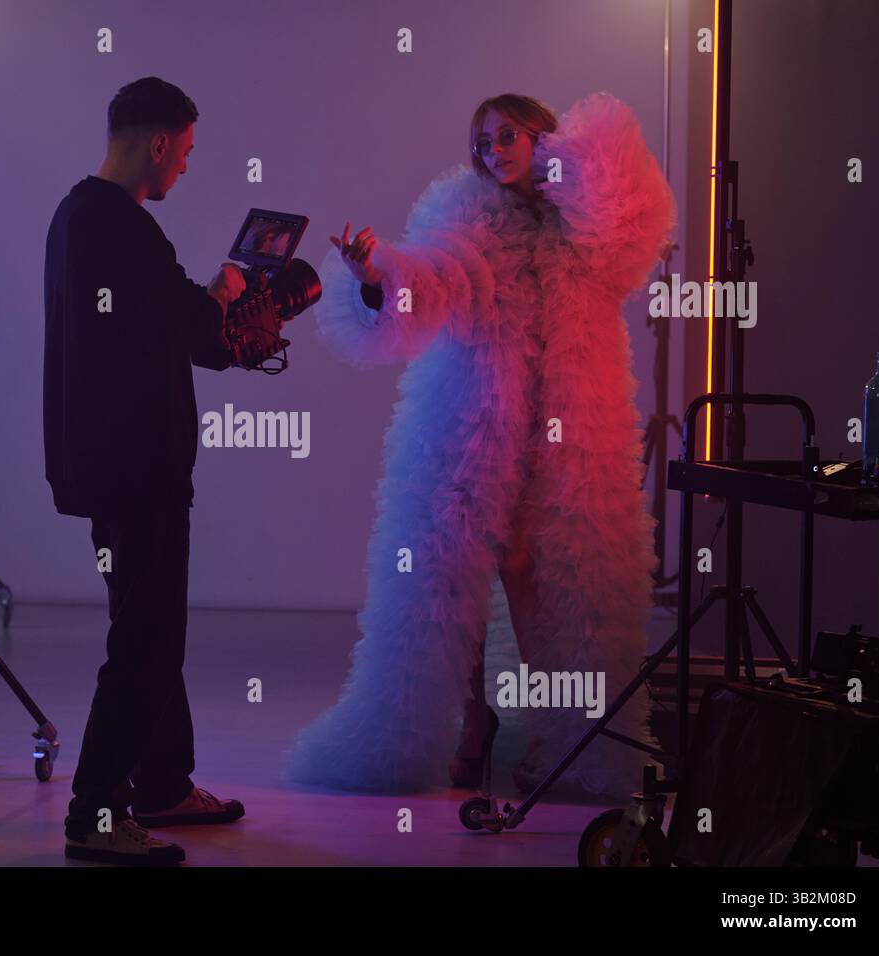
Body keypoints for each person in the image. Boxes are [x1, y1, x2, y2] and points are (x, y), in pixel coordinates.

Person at [287, 92, 676, 801]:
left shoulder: (586, 227)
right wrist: (379, 278)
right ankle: (467, 725)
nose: (492, 151)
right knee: (440, 585)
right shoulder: (465, 215)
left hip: (571, 450)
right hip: (468, 438)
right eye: (483, 141)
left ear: (540, 139)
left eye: (506, 136)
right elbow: (436, 276)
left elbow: (631, 221)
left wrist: (582, 160)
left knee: (565, 600)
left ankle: (567, 746)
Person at [43, 76, 247, 865]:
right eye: (187, 151)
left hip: (102, 463)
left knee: (144, 625)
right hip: (141, 467)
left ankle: (162, 783)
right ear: (160, 142)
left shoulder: (74, 216)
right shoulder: (124, 228)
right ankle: (95, 814)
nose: (187, 168)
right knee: (149, 642)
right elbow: (200, 335)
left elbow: (140, 329)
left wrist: (198, 304)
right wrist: (225, 292)